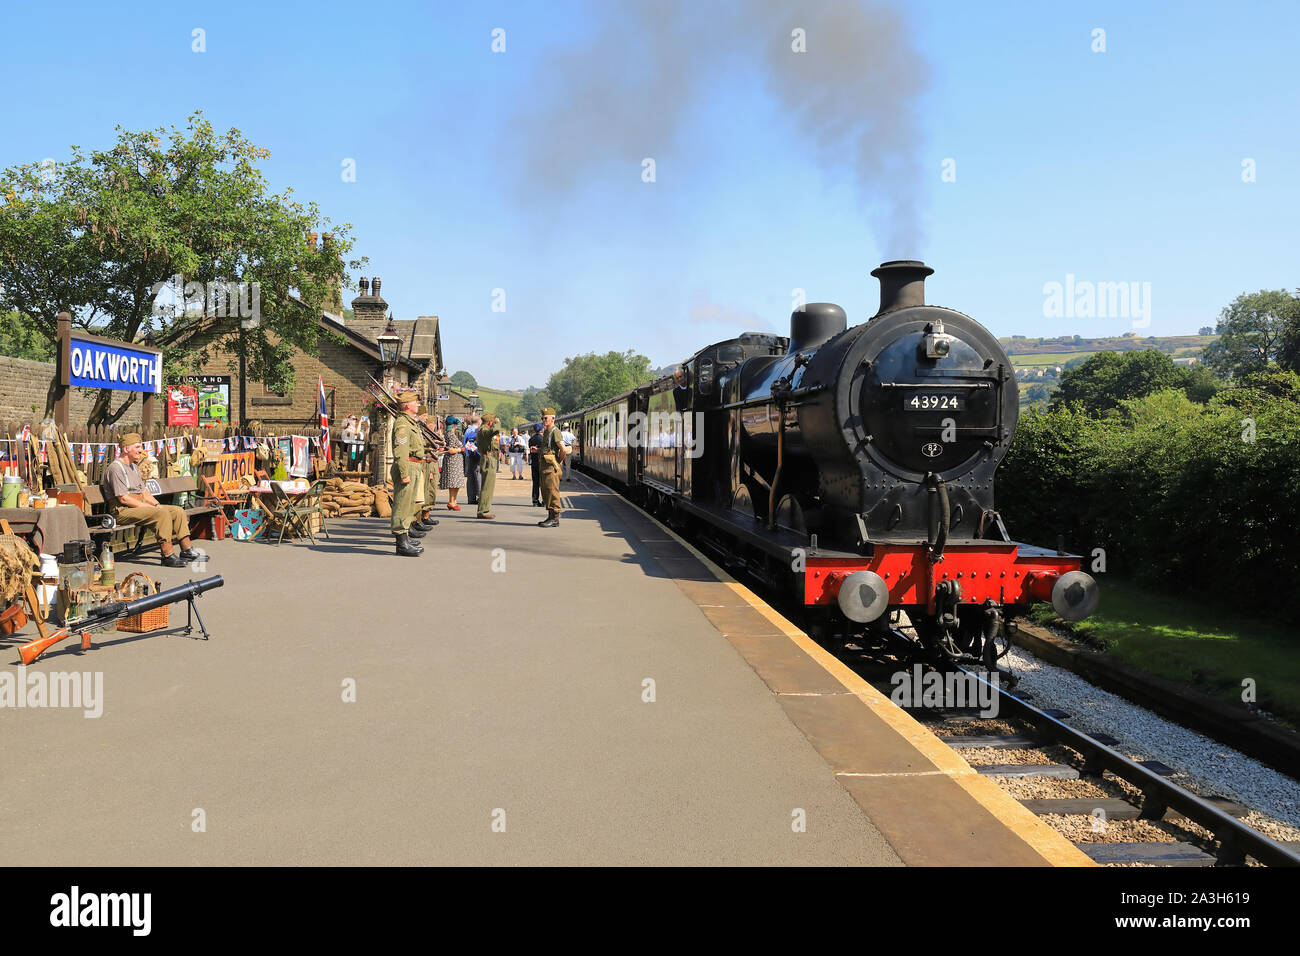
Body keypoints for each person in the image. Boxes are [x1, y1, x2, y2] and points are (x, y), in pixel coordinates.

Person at [103, 433, 206, 568]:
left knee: (177, 511)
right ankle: (167, 556)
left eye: (141, 447)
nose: (141, 450)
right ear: (126, 449)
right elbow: (124, 498)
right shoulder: (116, 468)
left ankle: (187, 550)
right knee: (161, 514)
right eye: (137, 447)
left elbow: (144, 492)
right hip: (122, 511)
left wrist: (157, 505)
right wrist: (150, 508)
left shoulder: (133, 466)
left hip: (138, 506)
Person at [389, 391, 426, 557]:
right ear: (406, 405)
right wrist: (404, 473)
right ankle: (401, 543)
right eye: (415, 402)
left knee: (409, 504)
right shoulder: (402, 424)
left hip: (414, 465)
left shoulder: (409, 422)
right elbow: (401, 451)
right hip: (407, 465)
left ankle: (405, 539)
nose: (417, 405)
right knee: (402, 504)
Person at [537, 409, 564, 527]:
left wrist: (559, 461)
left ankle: (555, 519)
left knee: (553, 491)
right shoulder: (547, 431)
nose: (543, 420)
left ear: (553, 419)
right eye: (542, 418)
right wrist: (537, 450)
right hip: (544, 466)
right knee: (546, 491)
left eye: (545, 418)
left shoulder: (555, 431)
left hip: (551, 467)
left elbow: (562, 449)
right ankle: (550, 516)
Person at [475, 413, 501, 519]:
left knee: (488, 486)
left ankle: (484, 509)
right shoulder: (484, 430)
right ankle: (483, 511)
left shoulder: (483, 429)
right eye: (493, 421)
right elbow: (495, 431)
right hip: (488, 459)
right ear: (490, 422)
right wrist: (498, 423)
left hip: (490, 458)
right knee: (487, 487)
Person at [439, 415, 466, 510]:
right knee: (453, 482)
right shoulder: (450, 434)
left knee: (455, 483)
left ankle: (453, 501)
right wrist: (460, 449)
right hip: (453, 461)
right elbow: (450, 449)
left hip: (454, 461)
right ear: (454, 425)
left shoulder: (448, 433)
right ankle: (451, 501)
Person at [463, 416, 480, 505]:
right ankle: (479, 497)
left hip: (468, 455)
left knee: (470, 478)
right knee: (478, 476)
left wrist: (467, 453)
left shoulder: (467, 431)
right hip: (477, 456)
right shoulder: (478, 431)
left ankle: (471, 498)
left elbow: (464, 443)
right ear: (479, 423)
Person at [528, 423, 543, 506]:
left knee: (535, 482)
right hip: (542, 462)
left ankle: (535, 500)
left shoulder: (531, 439)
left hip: (534, 462)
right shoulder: (543, 439)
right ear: (541, 430)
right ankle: (544, 500)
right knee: (543, 482)